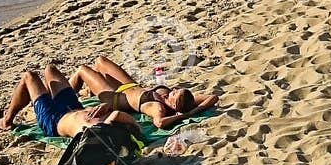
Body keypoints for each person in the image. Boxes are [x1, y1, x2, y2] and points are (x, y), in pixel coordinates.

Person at [0, 64, 140, 139]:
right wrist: (106, 107)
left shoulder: (94, 130)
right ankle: (45, 96)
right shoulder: (108, 121)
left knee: (29, 76)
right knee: (50, 69)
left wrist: (109, 113)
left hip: (53, 120)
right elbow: (126, 119)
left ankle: (7, 120)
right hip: (72, 106)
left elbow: (117, 117)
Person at [70, 56, 219, 131]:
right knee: (99, 61)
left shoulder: (158, 107)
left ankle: (63, 100)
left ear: (174, 105)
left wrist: (183, 116)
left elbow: (159, 123)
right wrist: (195, 110)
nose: (172, 91)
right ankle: (88, 91)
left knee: (82, 70)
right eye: (175, 90)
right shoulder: (183, 101)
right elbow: (213, 97)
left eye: (174, 94)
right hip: (129, 85)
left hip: (114, 97)